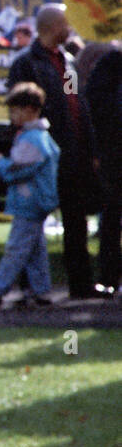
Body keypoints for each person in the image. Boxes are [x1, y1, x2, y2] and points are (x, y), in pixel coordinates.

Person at [8, 4, 111, 300]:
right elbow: (19, 110)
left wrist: (90, 148)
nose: (72, 29)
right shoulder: (26, 63)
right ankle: (31, 288)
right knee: (33, 220)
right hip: (45, 153)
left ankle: (81, 285)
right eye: (68, 23)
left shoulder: (68, 61)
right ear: (55, 26)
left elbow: (80, 106)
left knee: (76, 219)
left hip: (73, 152)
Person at [0, 83, 60, 307]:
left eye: (14, 110)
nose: (12, 115)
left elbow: (15, 172)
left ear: (29, 110)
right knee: (35, 251)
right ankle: (42, 292)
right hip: (37, 203)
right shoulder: (41, 136)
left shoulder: (32, 140)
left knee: (16, 249)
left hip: (30, 203)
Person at [84, 45, 122, 294]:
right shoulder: (111, 65)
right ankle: (109, 277)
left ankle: (109, 277)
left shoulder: (108, 66)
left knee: (111, 217)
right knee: (111, 216)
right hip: (114, 153)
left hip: (112, 152)